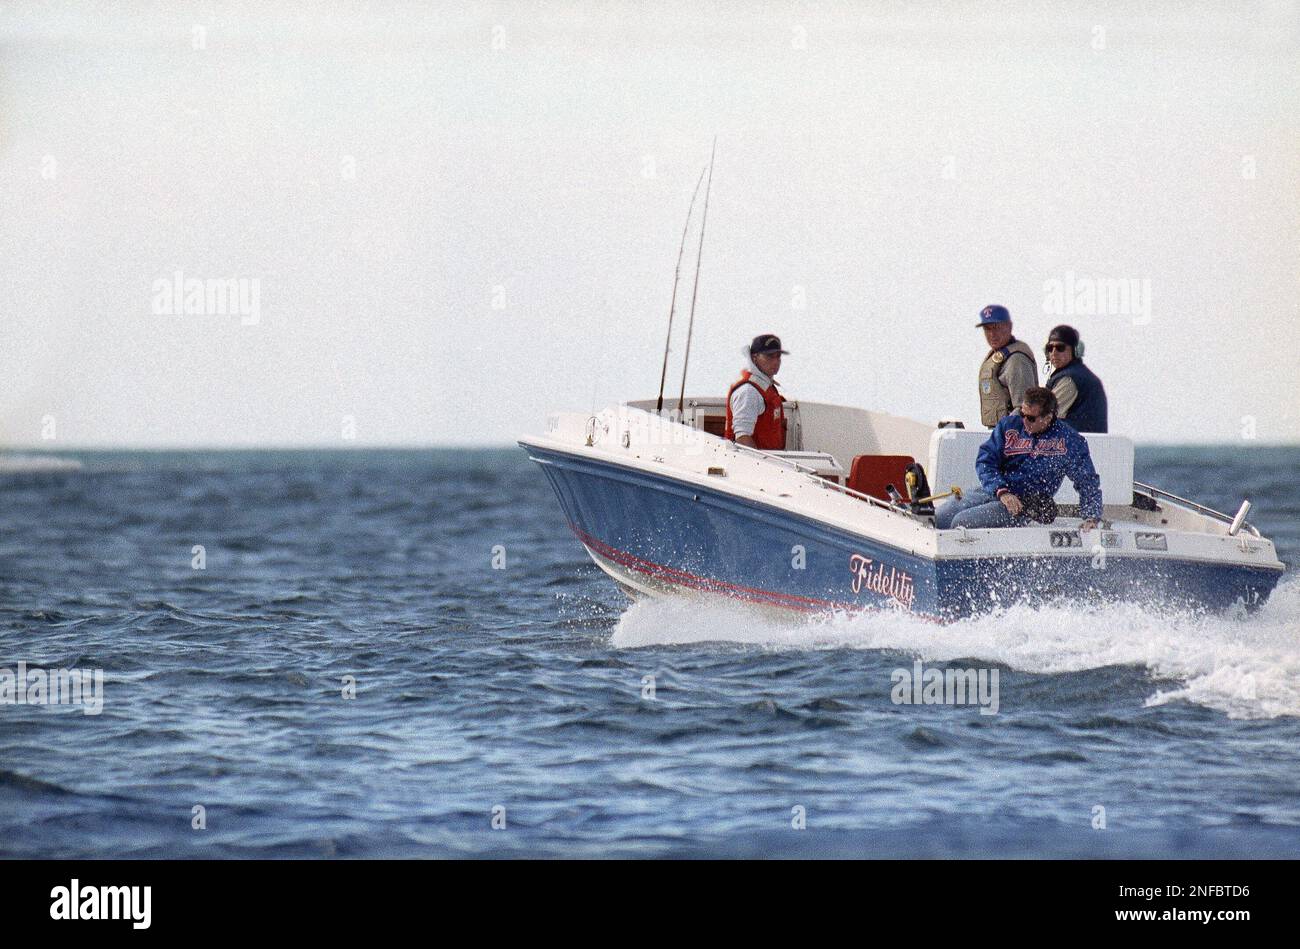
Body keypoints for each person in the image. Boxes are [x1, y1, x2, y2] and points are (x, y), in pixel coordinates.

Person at [935, 386, 1103, 531]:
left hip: (1024, 505)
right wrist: (1001, 490)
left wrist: (1091, 517)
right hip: (995, 490)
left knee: (962, 522)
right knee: (940, 518)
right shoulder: (1009, 426)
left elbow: (1086, 480)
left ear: (1048, 417)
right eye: (1022, 414)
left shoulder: (1069, 441)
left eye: (1031, 418)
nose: (1024, 421)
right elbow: (986, 460)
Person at [975, 304, 1038, 428]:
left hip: (1013, 434)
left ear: (1009, 327)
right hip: (1000, 432)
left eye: (997, 327)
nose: (992, 334)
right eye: (987, 329)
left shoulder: (1016, 360)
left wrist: (1005, 433)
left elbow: (1025, 408)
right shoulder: (998, 355)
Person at [724, 334, 788, 450]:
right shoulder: (749, 392)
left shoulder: (764, 386)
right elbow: (742, 438)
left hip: (771, 461)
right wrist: (765, 465)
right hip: (752, 464)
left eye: (778, 357)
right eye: (769, 357)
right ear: (754, 358)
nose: (775, 362)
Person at [1043, 324, 1109, 433]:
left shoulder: (1070, 380)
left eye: (1060, 348)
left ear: (1075, 350)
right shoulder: (1079, 374)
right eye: (1050, 348)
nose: (1054, 353)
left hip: (1074, 446)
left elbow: (1041, 416)